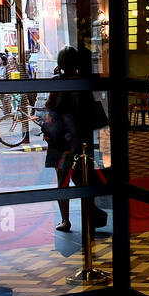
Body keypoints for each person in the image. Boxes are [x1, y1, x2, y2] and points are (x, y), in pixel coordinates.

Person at [43, 46, 109, 232]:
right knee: (83, 179)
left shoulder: (58, 82)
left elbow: (50, 105)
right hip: (82, 137)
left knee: (62, 181)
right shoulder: (84, 82)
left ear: (60, 63)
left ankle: (65, 220)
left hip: (61, 140)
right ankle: (90, 213)